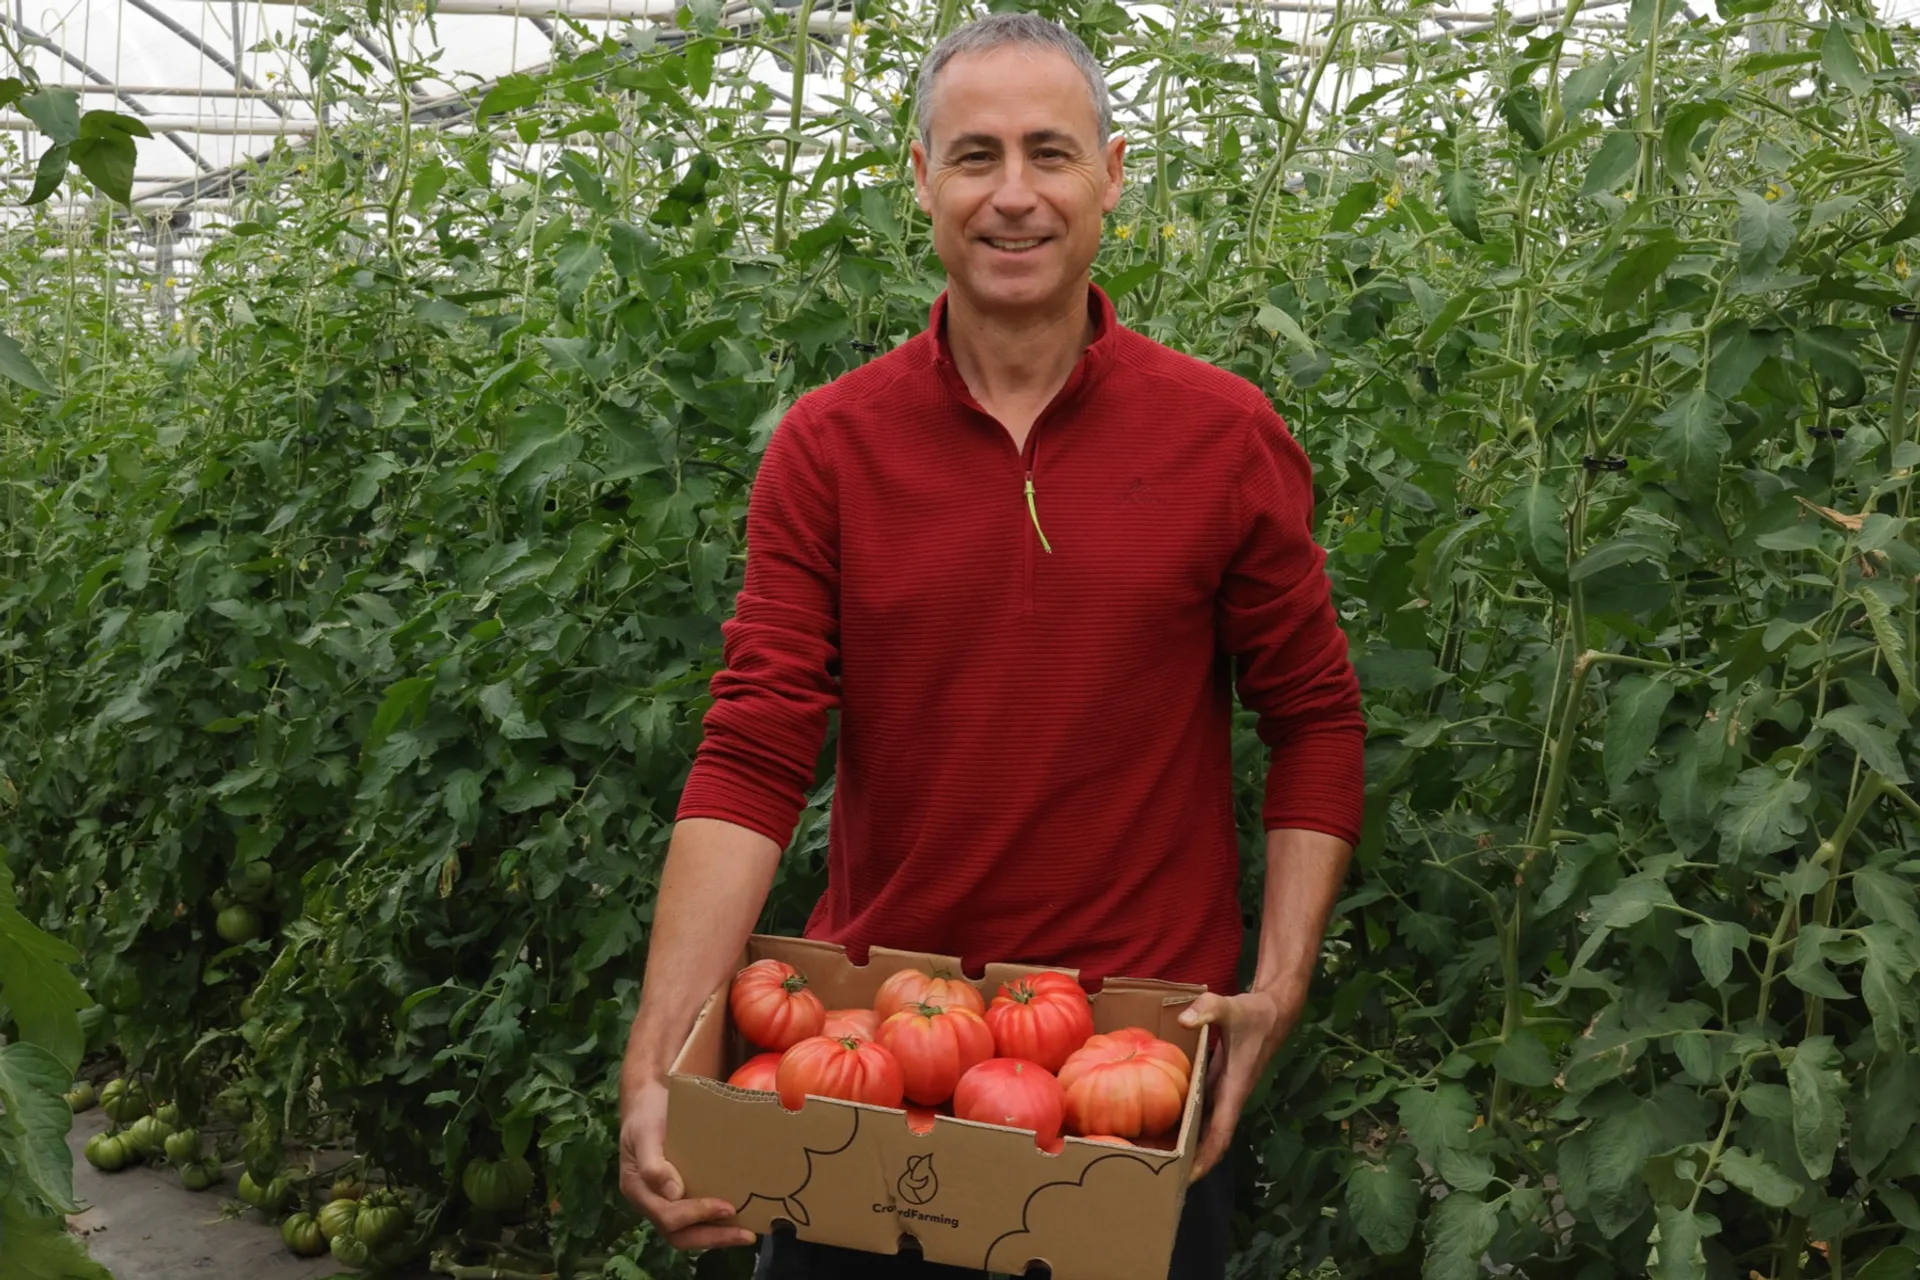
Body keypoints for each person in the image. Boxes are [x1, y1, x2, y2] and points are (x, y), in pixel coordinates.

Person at [616, 12, 1364, 1278]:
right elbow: (753, 747)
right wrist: (657, 1061)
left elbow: (1316, 718)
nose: (1013, 194)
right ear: (921, 180)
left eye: (1049, 153)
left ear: (1111, 176)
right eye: (974, 156)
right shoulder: (831, 447)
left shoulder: (1223, 437)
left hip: (1128, 1082)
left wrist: (1278, 985)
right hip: (867, 1066)